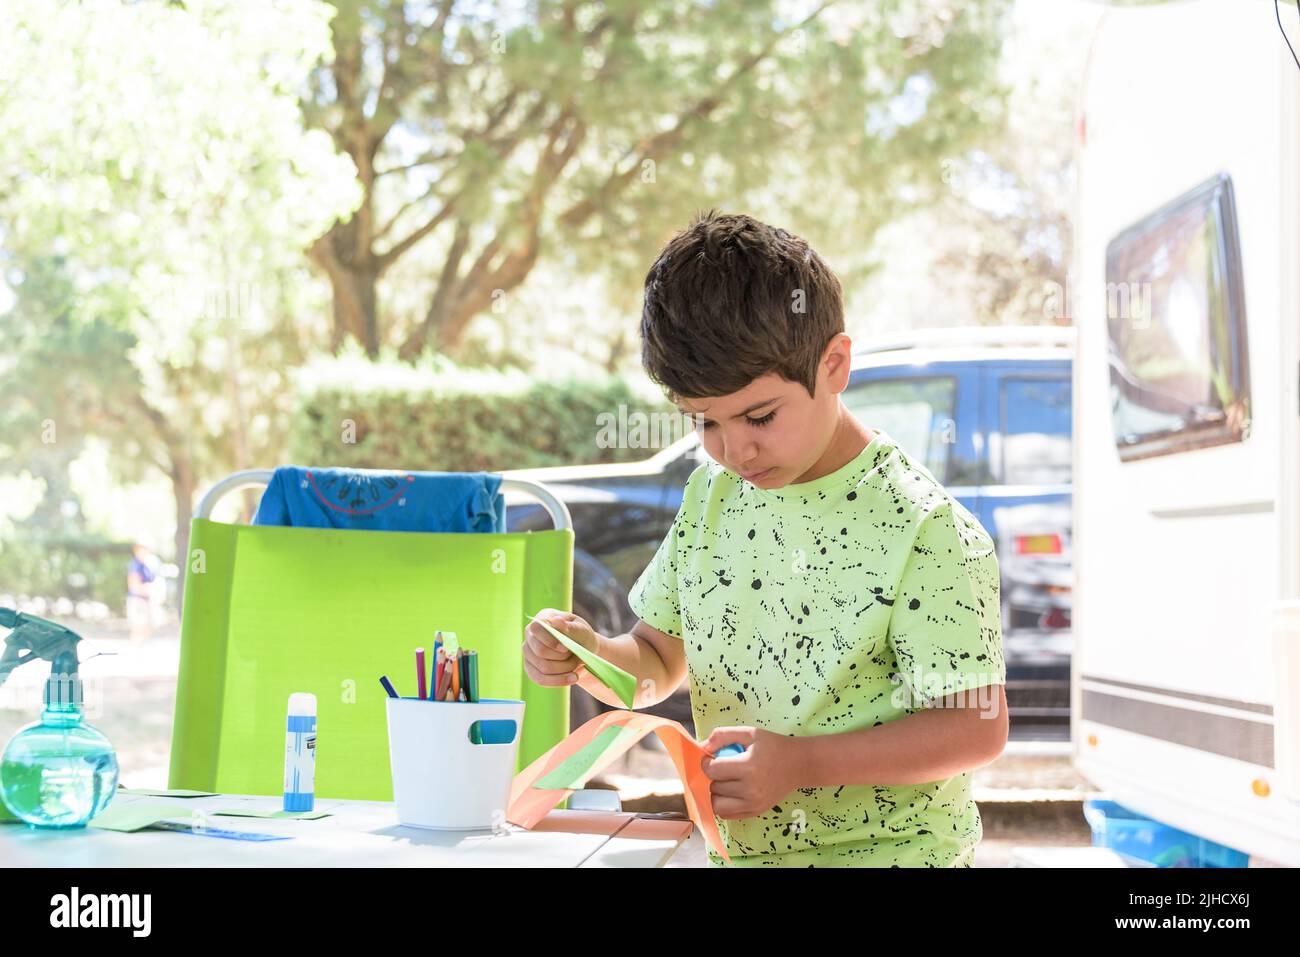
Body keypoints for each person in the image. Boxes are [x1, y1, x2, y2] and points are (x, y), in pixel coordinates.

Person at [523, 210, 1007, 867]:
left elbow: (975, 726)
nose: (733, 449)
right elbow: (656, 660)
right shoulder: (710, 497)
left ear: (834, 364)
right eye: (705, 423)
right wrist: (591, 656)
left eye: (758, 416)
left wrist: (802, 762)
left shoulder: (925, 529)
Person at [127, 542, 158, 646]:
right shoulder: (135, 565)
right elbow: (134, 586)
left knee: (147, 628)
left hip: (146, 600)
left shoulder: (148, 564)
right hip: (137, 601)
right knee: (137, 628)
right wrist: (149, 589)